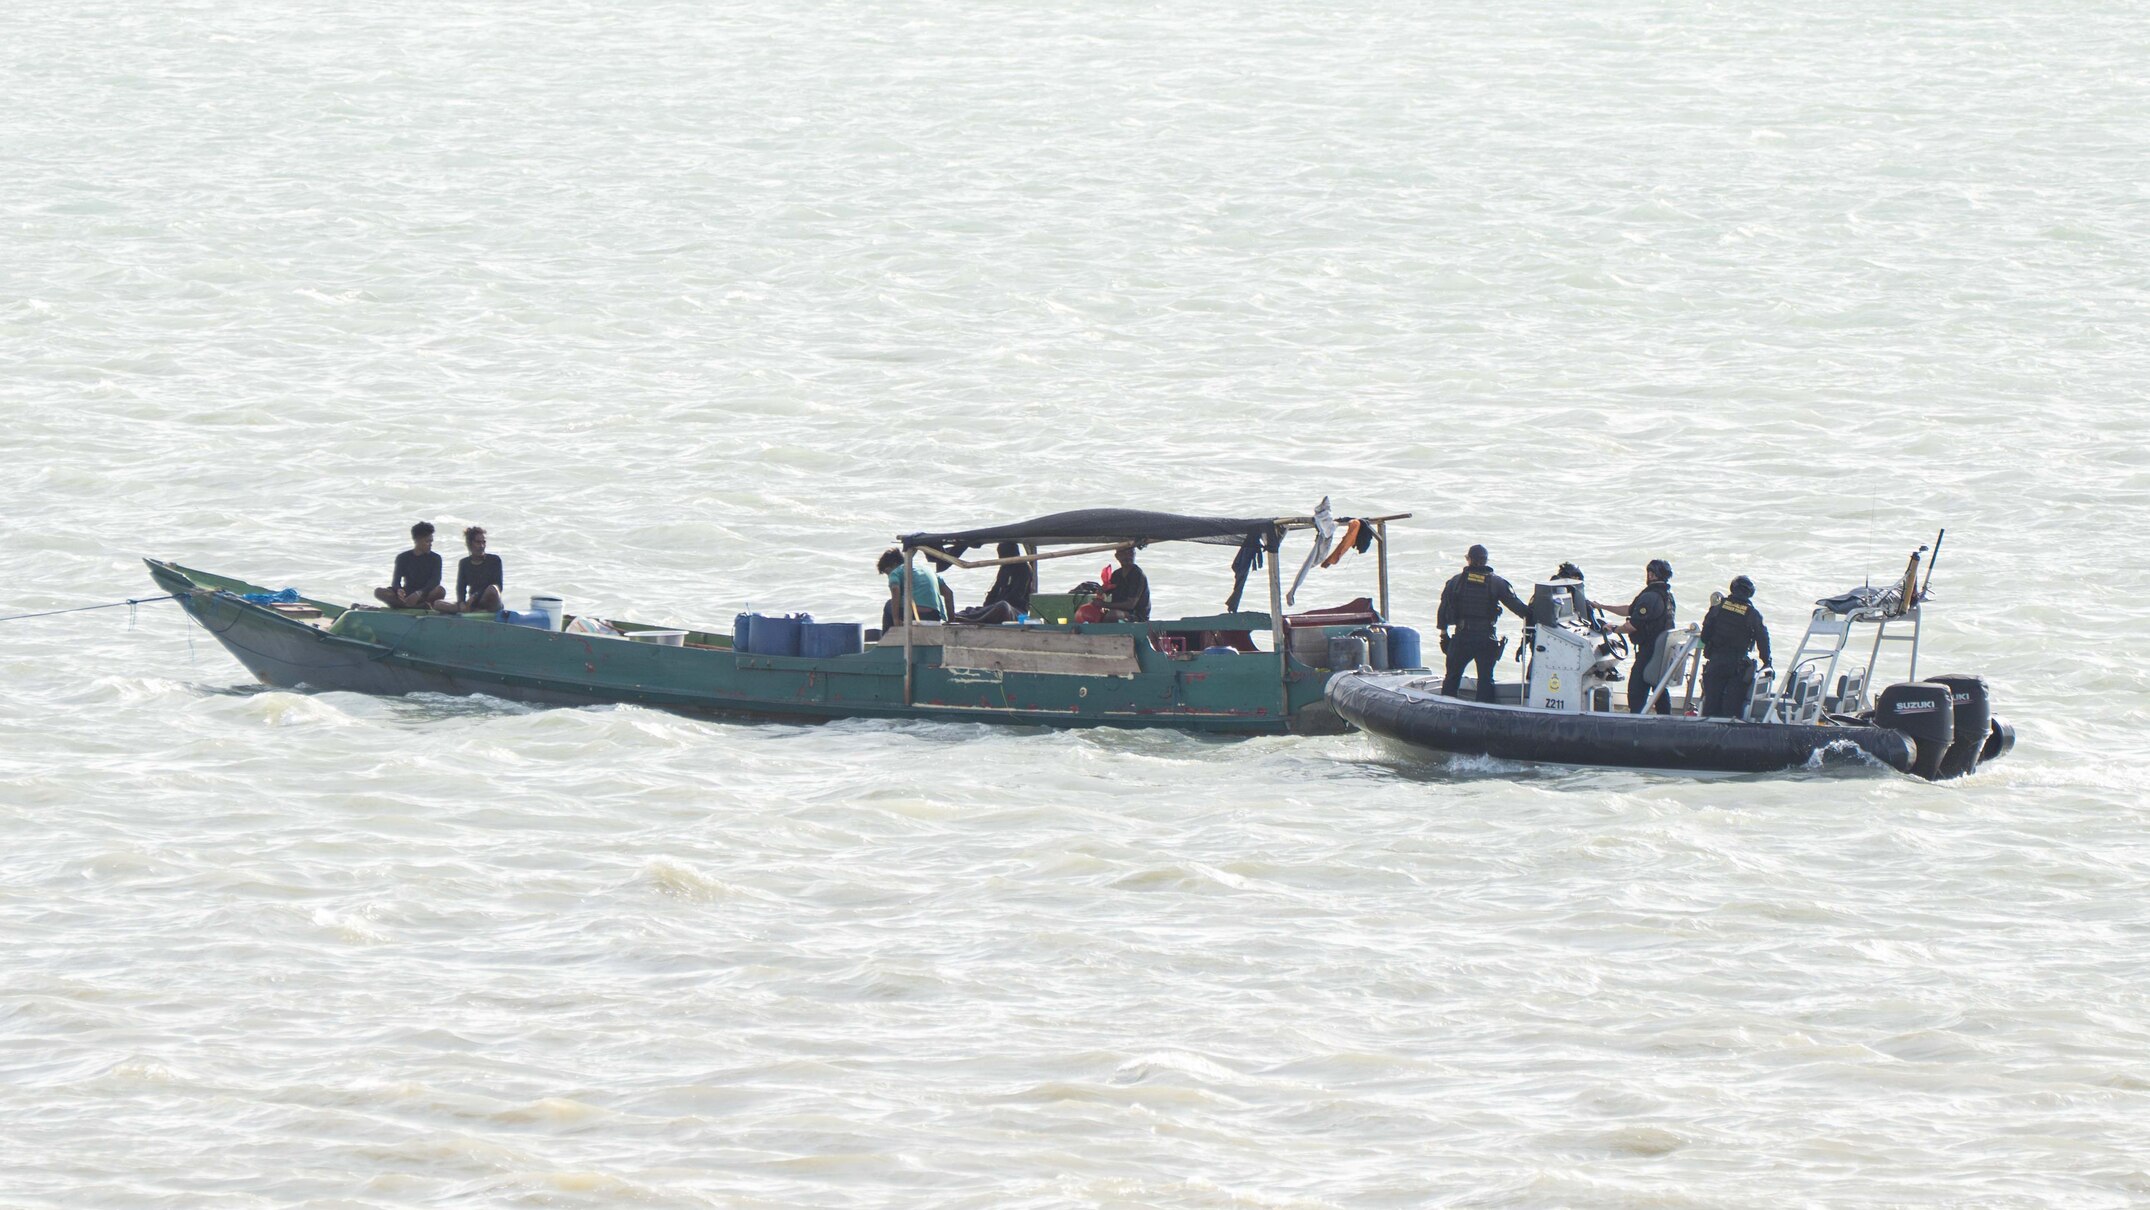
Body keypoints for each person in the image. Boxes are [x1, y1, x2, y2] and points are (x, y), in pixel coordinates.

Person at [1436, 545, 1530, 701]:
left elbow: (1442, 611)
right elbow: (1520, 610)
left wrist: (1443, 635)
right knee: (1486, 680)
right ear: (1485, 561)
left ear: (1469, 560)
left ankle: (1445, 712)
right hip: (1486, 638)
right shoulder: (1497, 583)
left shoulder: (1455, 581)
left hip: (1462, 637)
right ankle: (1484, 717)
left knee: (1452, 678)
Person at [1598, 558, 1676, 714]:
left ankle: (1636, 719)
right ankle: (1665, 718)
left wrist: (1613, 628)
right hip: (1662, 650)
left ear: (1652, 574)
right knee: (1659, 687)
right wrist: (1602, 606)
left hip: (1649, 651)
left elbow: (1632, 626)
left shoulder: (1650, 597)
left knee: (1636, 688)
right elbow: (1630, 610)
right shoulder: (1666, 596)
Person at [1700, 575, 1773, 719]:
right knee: (1732, 707)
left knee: (1710, 704)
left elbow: (1704, 636)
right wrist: (1767, 662)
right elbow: (1763, 639)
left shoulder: (1717, 608)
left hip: (1716, 662)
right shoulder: (1753, 614)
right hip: (1737, 665)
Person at [433, 526, 505, 614]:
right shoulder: (464, 563)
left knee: (492, 589)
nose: (482, 546)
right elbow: (461, 587)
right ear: (469, 544)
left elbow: (498, 585)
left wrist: (475, 596)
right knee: (437, 604)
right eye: (478, 542)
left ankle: (480, 610)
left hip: (490, 602)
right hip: (473, 604)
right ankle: (473, 610)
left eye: (484, 542)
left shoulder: (494, 560)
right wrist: (461, 602)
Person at [374, 522, 445, 609]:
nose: (430, 544)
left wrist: (419, 593)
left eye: (431, 541)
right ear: (417, 540)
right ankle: (413, 606)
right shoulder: (403, 557)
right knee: (379, 592)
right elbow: (396, 581)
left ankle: (405, 606)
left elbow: (435, 581)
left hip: (425, 594)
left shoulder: (436, 558)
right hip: (407, 593)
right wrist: (398, 590)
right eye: (427, 541)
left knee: (440, 591)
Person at [878, 548, 945, 628]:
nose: (889, 576)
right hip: (934, 616)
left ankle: (888, 637)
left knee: (889, 604)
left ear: (895, 564)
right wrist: (950, 620)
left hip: (912, 615)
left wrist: (895, 619)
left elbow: (895, 590)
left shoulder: (896, 572)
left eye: (887, 572)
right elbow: (948, 594)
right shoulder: (928, 570)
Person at [1100, 545, 1151, 622]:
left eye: (1130, 552)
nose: (1127, 556)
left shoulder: (1137, 575)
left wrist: (1103, 604)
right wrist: (1102, 590)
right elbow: (1108, 590)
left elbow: (1130, 604)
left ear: (1134, 554)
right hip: (1120, 611)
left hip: (1137, 615)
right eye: (1123, 553)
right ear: (1117, 556)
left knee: (1113, 615)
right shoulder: (1116, 574)